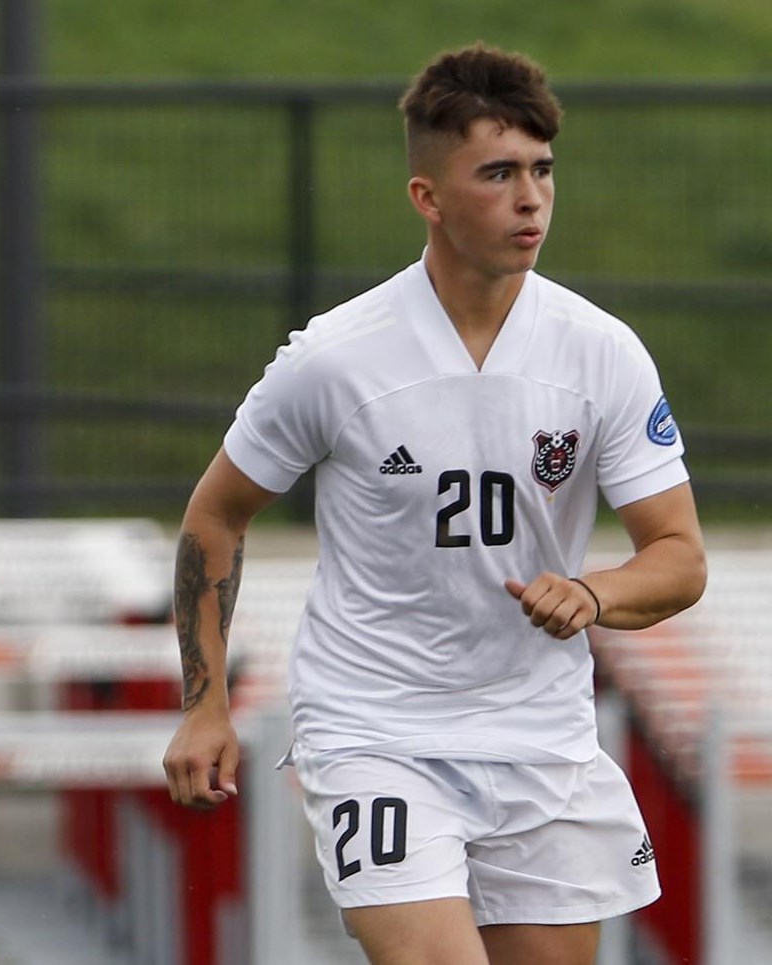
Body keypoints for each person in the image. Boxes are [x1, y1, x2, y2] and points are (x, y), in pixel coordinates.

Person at [163, 42, 706, 965]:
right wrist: (204, 704)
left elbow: (679, 556)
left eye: (541, 169)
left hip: (541, 737)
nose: (530, 197)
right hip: (378, 727)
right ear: (429, 197)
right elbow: (217, 515)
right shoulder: (336, 358)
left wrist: (596, 592)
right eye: (497, 173)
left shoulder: (602, 351)